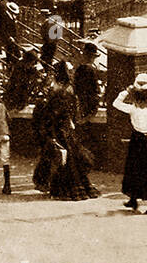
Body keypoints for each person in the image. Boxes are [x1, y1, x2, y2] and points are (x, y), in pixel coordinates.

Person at [31, 62, 98, 200]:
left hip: (59, 130)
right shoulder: (70, 91)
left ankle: (58, 189)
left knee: (61, 159)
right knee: (69, 158)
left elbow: (53, 115)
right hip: (67, 129)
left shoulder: (58, 95)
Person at [112, 73, 147, 215]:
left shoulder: (133, 108)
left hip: (136, 140)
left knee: (134, 169)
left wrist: (127, 90)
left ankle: (133, 198)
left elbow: (116, 103)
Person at [74, 41, 102, 122]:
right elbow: (95, 88)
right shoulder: (91, 70)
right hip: (89, 101)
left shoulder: (79, 68)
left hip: (81, 99)